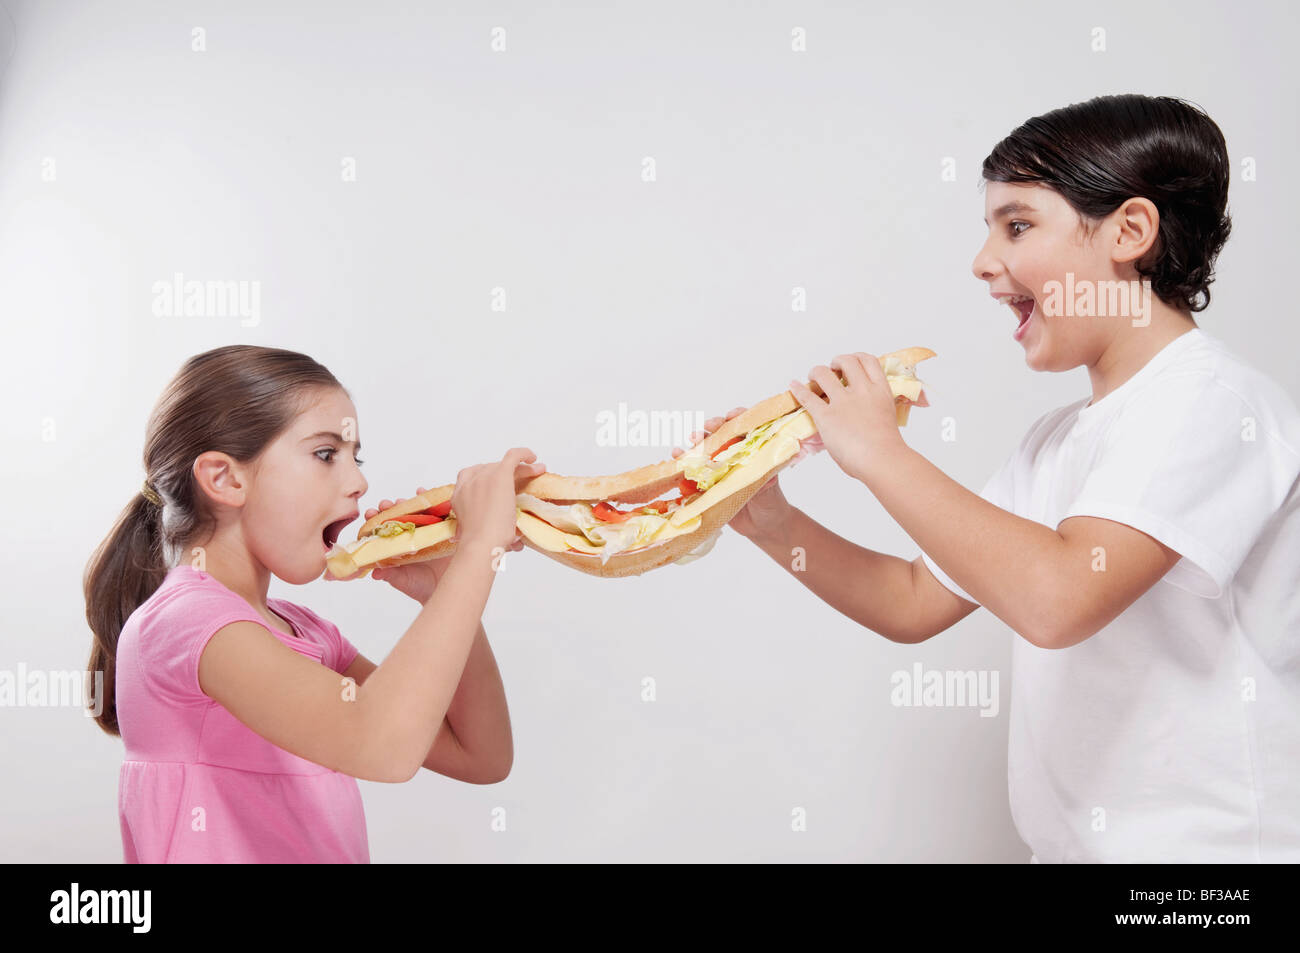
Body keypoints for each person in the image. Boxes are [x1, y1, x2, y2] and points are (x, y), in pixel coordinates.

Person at [677, 94, 1300, 862]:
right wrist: (769, 518)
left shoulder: (1212, 404)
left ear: (1130, 232)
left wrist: (881, 454)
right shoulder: (1055, 440)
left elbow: (1058, 598)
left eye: (1017, 224)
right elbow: (910, 599)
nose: (982, 261)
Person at [84, 344, 544, 862]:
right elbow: (382, 747)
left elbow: (480, 755)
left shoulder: (307, 634)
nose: (359, 481)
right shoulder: (185, 622)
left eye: (355, 456)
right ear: (225, 479)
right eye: (326, 454)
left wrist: (442, 589)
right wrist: (477, 552)